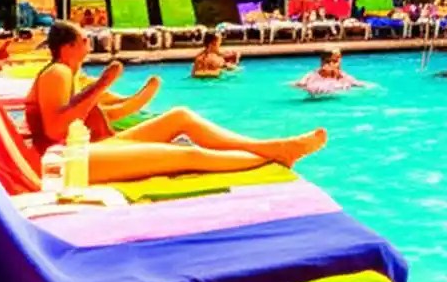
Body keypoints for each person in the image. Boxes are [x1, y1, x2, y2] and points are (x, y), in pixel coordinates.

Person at [26, 21, 327, 182]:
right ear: (68, 47)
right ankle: (273, 154)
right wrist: (104, 83)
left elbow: (107, 112)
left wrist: (140, 92)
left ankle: (270, 148)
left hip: (84, 150)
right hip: (66, 162)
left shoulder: (69, 74)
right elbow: (54, 130)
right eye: (84, 41)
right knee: (186, 156)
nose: (90, 45)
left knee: (179, 116)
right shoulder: (58, 72)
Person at [292, 48, 365, 94]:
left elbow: (362, 86)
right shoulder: (311, 76)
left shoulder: (345, 77)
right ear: (322, 62)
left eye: (336, 61)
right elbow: (299, 85)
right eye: (328, 61)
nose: (332, 64)